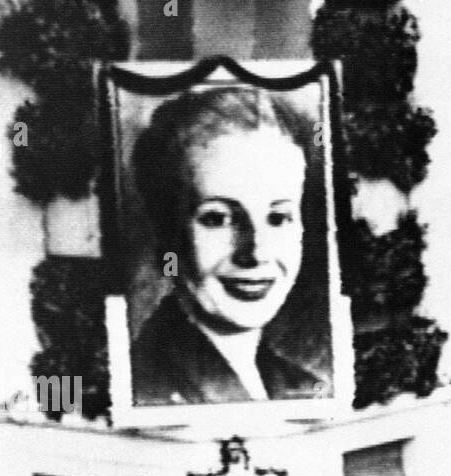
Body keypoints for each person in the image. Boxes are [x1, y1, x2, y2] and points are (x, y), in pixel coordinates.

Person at [130, 85, 326, 405]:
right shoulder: (146, 385)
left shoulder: (302, 386)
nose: (256, 252)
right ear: (168, 235)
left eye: (278, 218)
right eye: (218, 218)